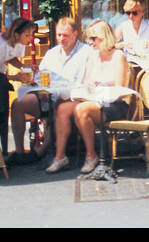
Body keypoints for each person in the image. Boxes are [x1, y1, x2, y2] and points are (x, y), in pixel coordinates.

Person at [47, 20, 131, 175]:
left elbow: (120, 87)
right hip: (94, 99)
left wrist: (101, 83)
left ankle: (91, 155)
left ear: (104, 37)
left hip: (113, 103)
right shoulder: (94, 56)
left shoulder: (118, 56)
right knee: (62, 109)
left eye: (94, 39)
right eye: (90, 39)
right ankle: (60, 156)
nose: (91, 43)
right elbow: (87, 82)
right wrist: (88, 85)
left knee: (81, 109)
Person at [10, 18, 92, 160]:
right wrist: (39, 90)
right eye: (59, 35)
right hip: (47, 97)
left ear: (75, 34)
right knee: (18, 103)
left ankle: (49, 150)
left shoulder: (86, 53)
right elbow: (39, 78)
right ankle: (20, 153)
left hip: (72, 98)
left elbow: (86, 83)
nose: (61, 39)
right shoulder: (52, 53)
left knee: (59, 103)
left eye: (65, 35)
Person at [0, 18, 36, 153]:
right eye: (27, 35)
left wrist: (25, 67)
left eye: (31, 35)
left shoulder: (18, 44)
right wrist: (14, 77)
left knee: (3, 87)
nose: (30, 38)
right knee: (1, 93)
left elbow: (11, 58)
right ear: (16, 34)